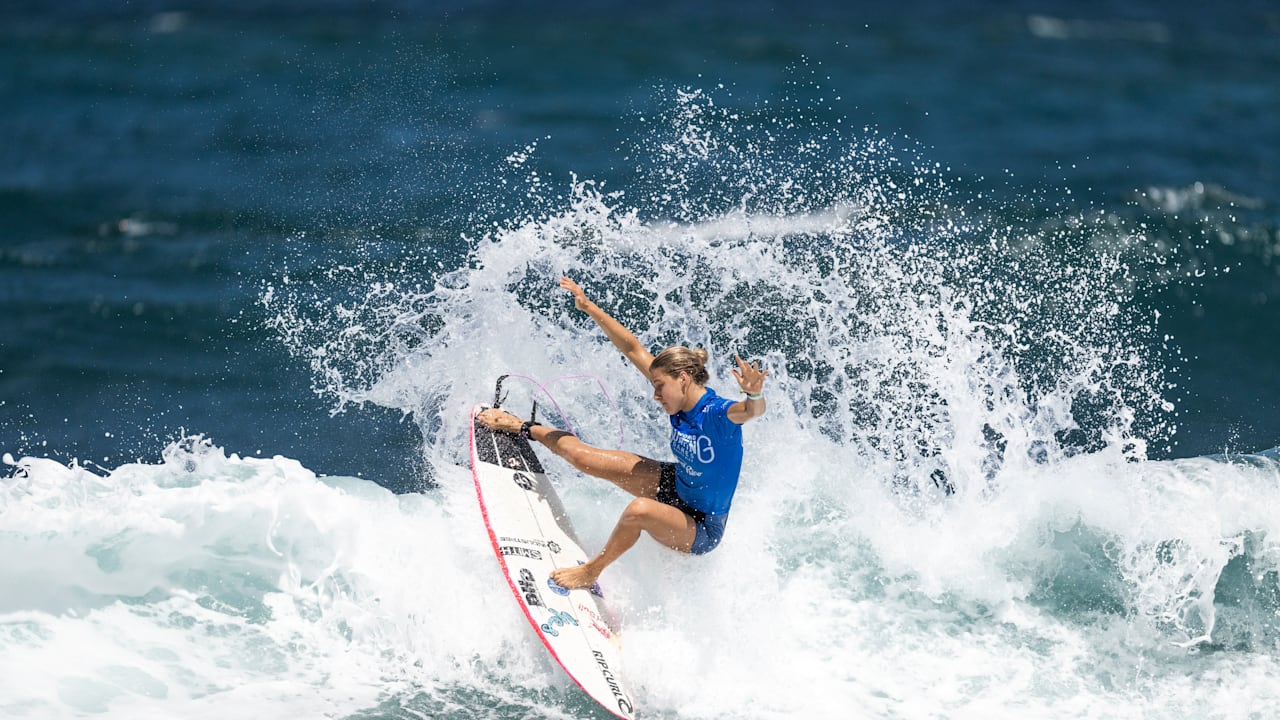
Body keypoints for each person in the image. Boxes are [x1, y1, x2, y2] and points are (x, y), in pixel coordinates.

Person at [477, 276, 768, 589]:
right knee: (582, 457)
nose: (656, 395)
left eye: (660, 387)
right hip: (676, 486)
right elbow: (632, 348)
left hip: (701, 526)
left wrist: (753, 394)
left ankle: (590, 572)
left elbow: (752, 412)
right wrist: (587, 306)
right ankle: (522, 426)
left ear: (683, 379)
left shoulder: (717, 415)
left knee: (637, 511)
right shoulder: (677, 397)